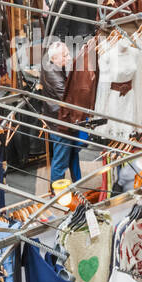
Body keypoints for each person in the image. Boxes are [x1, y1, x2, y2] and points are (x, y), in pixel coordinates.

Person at [40, 40, 81, 183]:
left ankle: (76, 184)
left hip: (61, 120)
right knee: (61, 160)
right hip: (60, 123)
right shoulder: (53, 73)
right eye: (65, 56)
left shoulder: (53, 66)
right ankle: (57, 193)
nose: (69, 58)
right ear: (54, 58)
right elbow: (66, 96)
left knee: (71, 155)